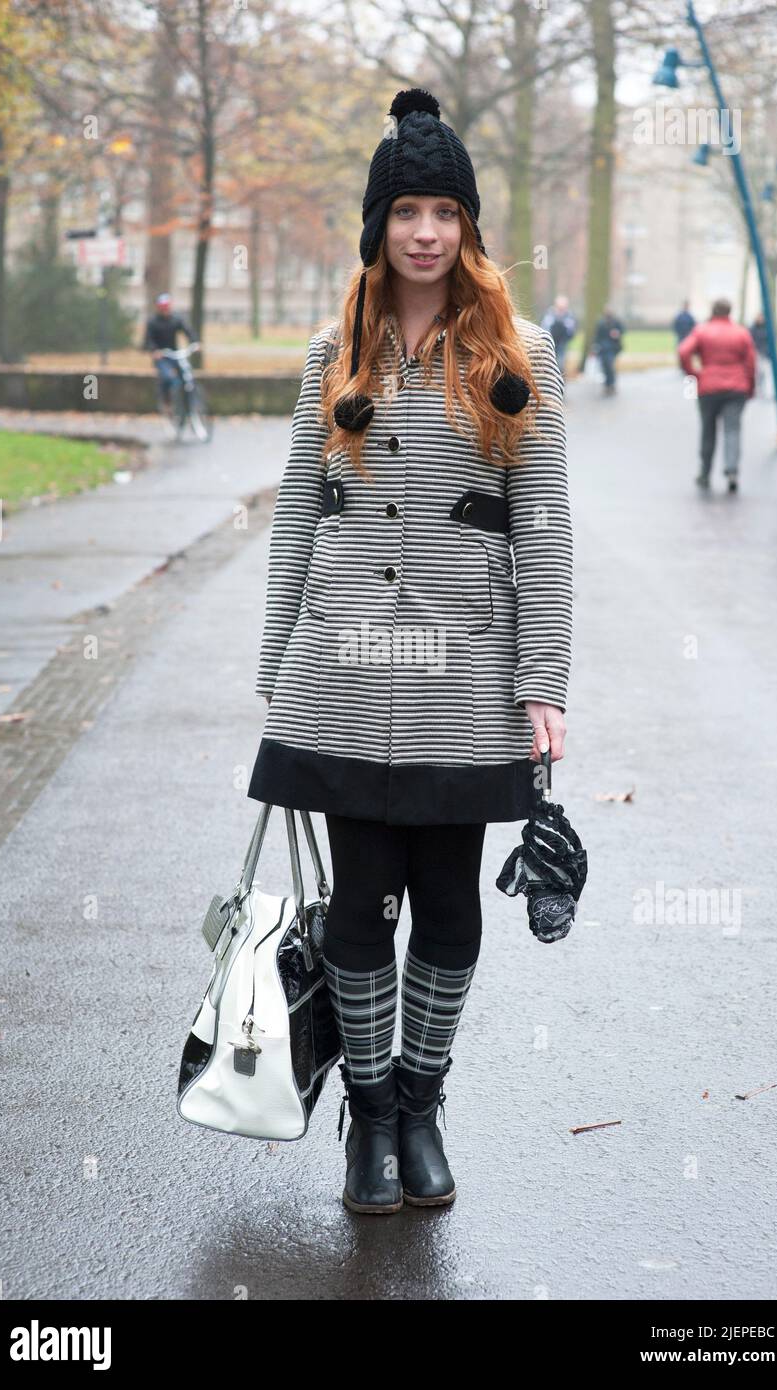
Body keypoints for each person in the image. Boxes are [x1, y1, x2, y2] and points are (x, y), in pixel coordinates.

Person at [248, 88, 573, 1215]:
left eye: (444, 209)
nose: (425, 230)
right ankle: (369, 1115)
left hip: (464, 672)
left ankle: (423, 1102)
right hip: (339, 668)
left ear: (468, 228)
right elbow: (301, 505)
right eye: (406, 210)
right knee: (357, 901)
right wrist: (274, 662)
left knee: (445, 901)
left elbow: (543, 523)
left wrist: (543, 681)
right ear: (379, 225)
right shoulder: (333, 349)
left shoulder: (519, 354)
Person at [679, 298, 756, 493]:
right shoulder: (741, 332)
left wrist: (694, 374)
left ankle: (705, 472)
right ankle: (732, 470)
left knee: (708, 430)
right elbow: (750, 362)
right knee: (732, 429)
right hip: (736, 387)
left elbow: (684, 351)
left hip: (708, 386)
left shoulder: (702, 330)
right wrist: (750, 386)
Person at [142, 292, 195, 408]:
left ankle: (189, 403)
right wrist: (155, 351)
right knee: (167, 377)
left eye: (167, 307)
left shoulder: (176, 319)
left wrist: (194, 342)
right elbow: (148, 341)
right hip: (162, 357)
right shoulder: (153, 322)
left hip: (174, 354)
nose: (166, 310)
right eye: (163, 307)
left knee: (187, 376)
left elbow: (187, 331)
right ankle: (166, 402)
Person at [541, 295, 577, 376]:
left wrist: (567, 338)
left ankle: (560, 381)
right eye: (560, 307)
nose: (561, 309)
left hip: (562, 343)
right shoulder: (549, 314)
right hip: (550, 342)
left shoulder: (569, 316)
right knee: (549, 363)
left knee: (560, 364)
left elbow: (572, 330)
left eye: (563, 307)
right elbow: (544, 327)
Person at [592, 306, 624, 394]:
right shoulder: (601, 323)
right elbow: (597, 336)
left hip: (612, 349)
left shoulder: (616, 322)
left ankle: (611, 384)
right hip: (603, 349)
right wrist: (595, 347)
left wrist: (617, 334)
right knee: (605, 367)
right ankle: (607, 384)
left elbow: (621, 331)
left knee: (610, 366)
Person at [750, 311, 771, 398]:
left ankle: (767, 392)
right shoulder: (753, 328)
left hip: (766, 354)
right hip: (757, 353)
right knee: (758, 374)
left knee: (766, 373)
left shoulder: (767, 328)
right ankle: (758, 391)